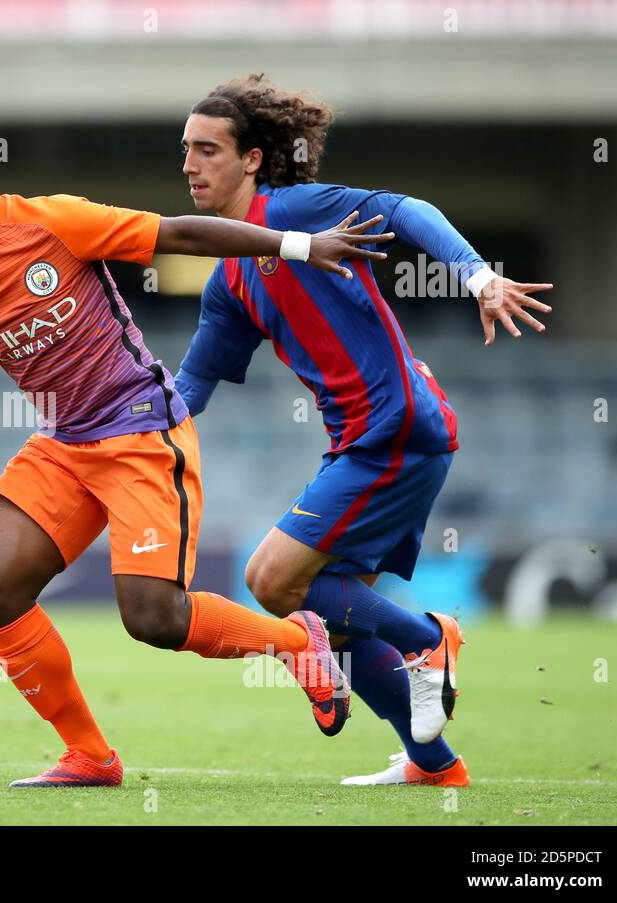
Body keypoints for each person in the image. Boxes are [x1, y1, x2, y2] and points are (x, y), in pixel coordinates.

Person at [0, 129, 394, 787]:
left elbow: (182, 236)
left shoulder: (53, 223)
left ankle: (296, 640)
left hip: (141, 430)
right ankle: (90, 755)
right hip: (64, 442)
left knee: (155, 619)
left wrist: (300, 245)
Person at [174, 75, 552, 786]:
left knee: (273, 579)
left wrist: (476, 278)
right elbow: (190, 387)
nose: (189, 165)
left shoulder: (295, 209)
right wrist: (110, 416)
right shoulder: (230, 277)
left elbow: (407, 210)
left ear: (252, 159)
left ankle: (428, 636)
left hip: (392, 427)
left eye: (207, 150)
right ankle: (433, 764)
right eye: (184, 151)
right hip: (371, 437)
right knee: (343, 621)